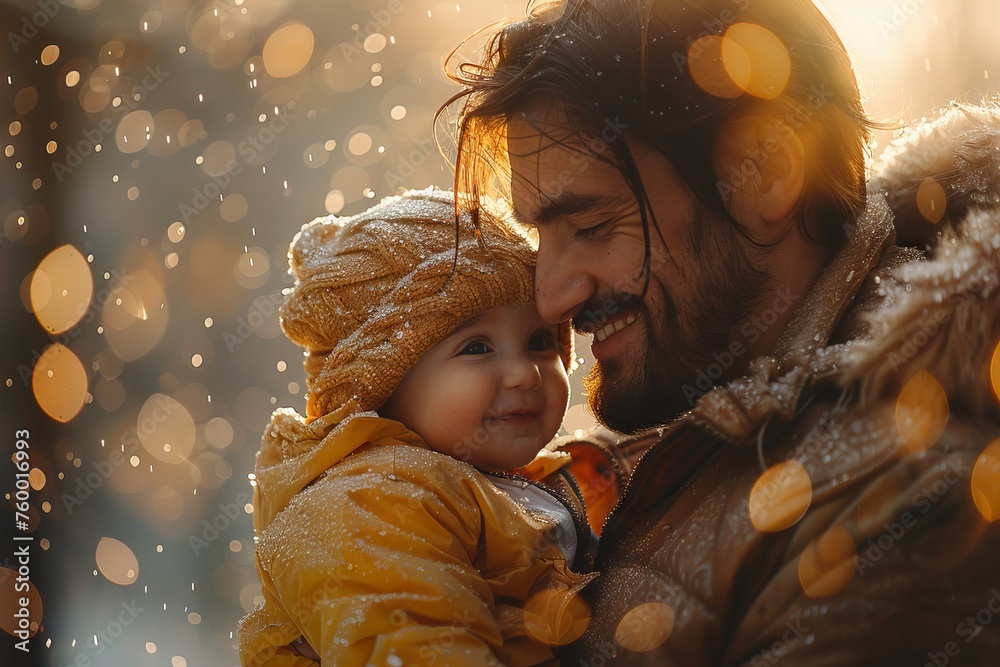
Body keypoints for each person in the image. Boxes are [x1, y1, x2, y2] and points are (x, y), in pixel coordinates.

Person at [445, 0, 1000, 663]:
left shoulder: (902, 505)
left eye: (592, 227)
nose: (551, 297)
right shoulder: (722, 409)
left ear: (764, 173)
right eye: (542, 237)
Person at [237, 188, 598, 666]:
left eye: (537, 340)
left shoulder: (501, 481)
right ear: (383, 383)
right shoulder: (369, 504)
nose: (525, 373)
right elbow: (417, 646)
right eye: (476, 348)